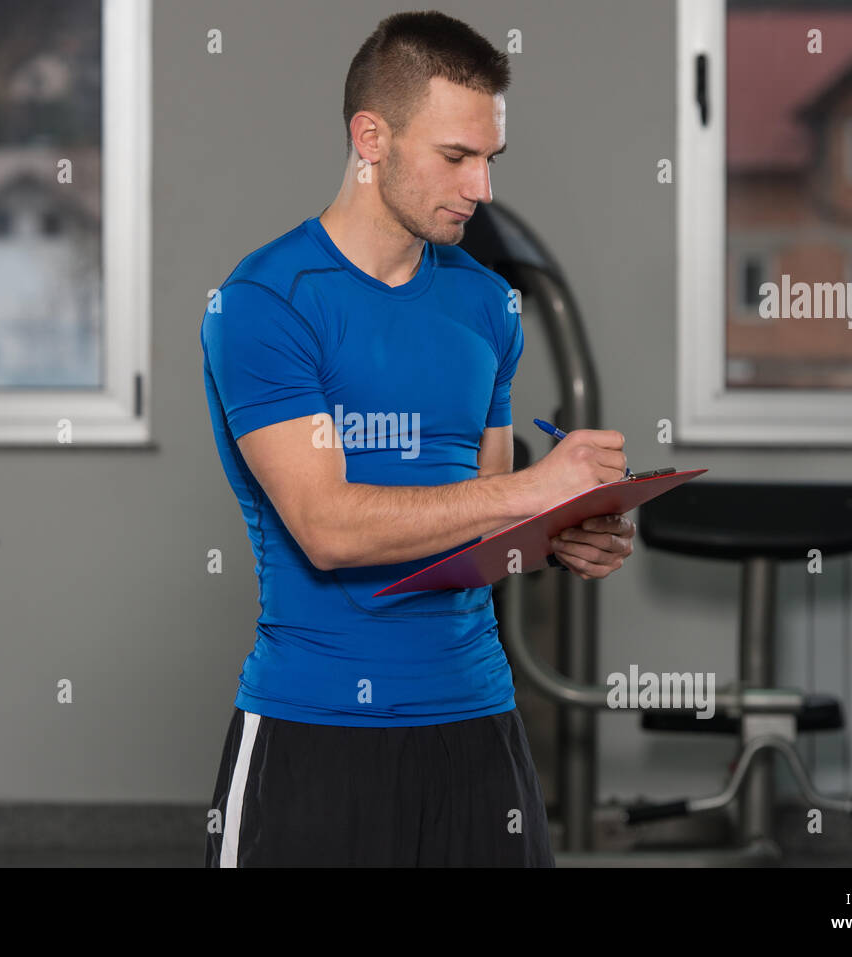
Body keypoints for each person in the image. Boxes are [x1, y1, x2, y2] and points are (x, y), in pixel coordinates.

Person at [200, 10, 634, 867]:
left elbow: (482, 534)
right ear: (372, 138)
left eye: (489, 160)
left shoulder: (486, 304)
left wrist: (562, 533)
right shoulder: (265, 302)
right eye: (455, 157)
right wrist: (532, 490)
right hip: (315, 730)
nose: (482, 189)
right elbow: (327, 529)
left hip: (476, 722)